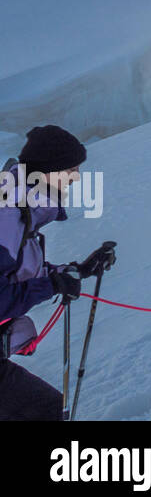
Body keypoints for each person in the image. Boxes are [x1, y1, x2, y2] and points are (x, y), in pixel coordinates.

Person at [0, 126, 115, 421]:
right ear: (47, 172)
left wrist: (75, 271)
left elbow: (16, 273)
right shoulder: (7, 217)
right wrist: (52, 284)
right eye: (71, 169)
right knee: (46, 412)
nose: (76, 178)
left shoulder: (17, 209)